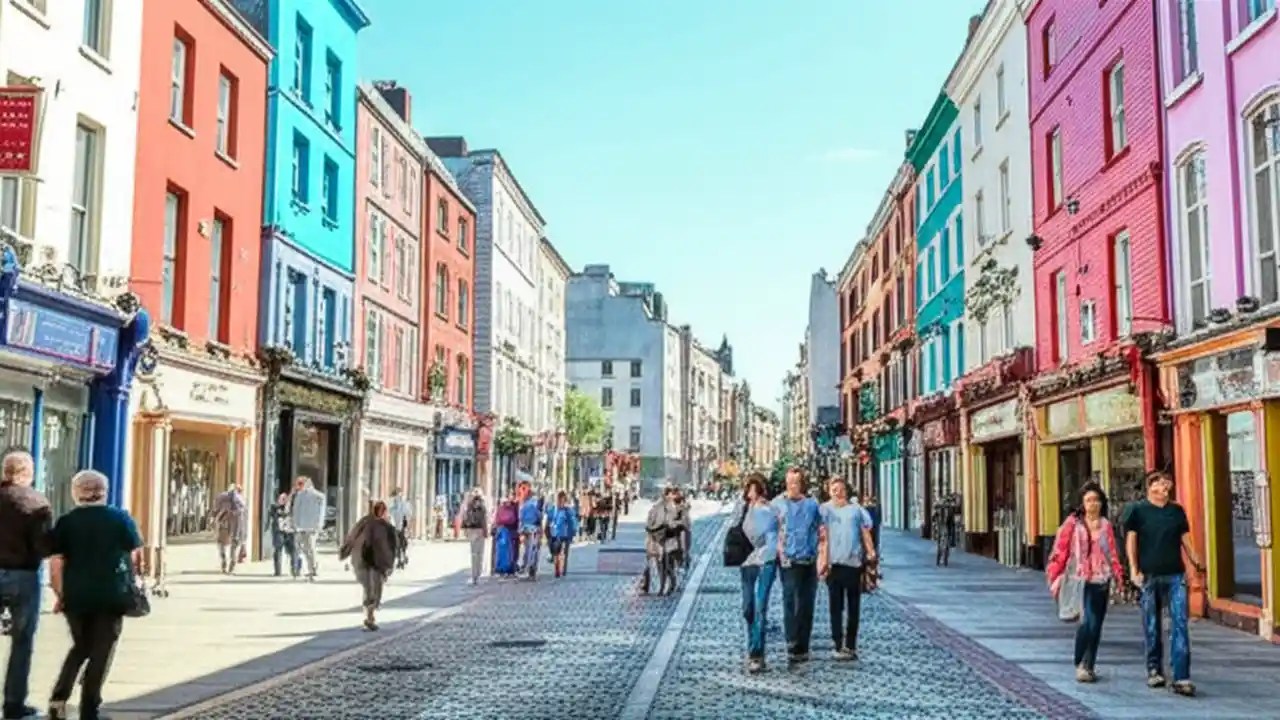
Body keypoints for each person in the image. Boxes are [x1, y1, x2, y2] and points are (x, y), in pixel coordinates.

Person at [46, 471, 143, 720]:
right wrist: (136, 580)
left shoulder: (67, 522)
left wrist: (60, 594)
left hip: (77, 596)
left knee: (80, 646)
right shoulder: (120, 518)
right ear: (104, 491)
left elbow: (56, 564)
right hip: (112, 594)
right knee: (102, 651)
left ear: (76, 493)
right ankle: (89, 708)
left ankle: (58, 699)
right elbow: (135, 554)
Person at [1121, 470, 1203, 696]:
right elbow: (1131, 541)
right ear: (1151, 487)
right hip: (1149, 575)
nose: (1166, 486)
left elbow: (1185, 539)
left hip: (1176, 574)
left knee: (1179, 624)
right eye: (1160, 483)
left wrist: (1197, 563)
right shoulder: (1137, 511)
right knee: (1152, 624)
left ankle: (1181, 676)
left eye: (1168, 483)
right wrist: (1134, 569)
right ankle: (1154, 670)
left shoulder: (1176, 511)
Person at [1047, 481, 1125, 683]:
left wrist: (1118, 575)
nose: (1093, 504)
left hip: (1102, 578)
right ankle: (1080, 661)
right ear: (1082, 503)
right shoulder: (1072, 524)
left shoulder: (1106, 525)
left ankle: (1090, 665)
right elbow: (1059, 551)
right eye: (1089, 500)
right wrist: (1054, 577)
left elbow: (1112, 552)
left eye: (1096, 500)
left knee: (1097, 624)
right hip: (1079, 579)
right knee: (1087, 622)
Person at [0, 451, 51, 719]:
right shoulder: (36, 503)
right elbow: (43, 546)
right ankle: (13, 704)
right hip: (23, 576)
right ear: (28, 473)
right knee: (22, 641)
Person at [818, 477, 876, 661]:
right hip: (834, 564)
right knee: (835, 607)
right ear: (829, 491)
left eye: (841, 489)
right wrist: (821, 560)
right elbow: (820, 536)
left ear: (846, 491)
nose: (838, 492)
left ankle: (850, 645)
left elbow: (865, 530)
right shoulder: (824, 510)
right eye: (834, 489)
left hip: (853, 564)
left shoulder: (856, 510)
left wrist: (871, 552)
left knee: (853, 606)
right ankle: (837, 643)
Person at [773, 466, 822, 664]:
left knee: (807, 604)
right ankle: (792, 641)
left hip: (809, 559)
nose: (793, 486)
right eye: (790, 482)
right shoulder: (777, 504)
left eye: (796, 482)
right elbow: (771, 530)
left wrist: (823, 556)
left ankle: (804, 644)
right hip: (788, 560)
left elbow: (820, 529)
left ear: (802, 483)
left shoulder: (812, 505)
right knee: (790, 601)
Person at [737, 473, 778, 673]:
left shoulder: (770, 510)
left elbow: (778, 531)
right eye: (748, 489)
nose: (750, 493)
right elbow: (734, 528)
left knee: (761, 606)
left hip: (767, 561)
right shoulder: (743, 509)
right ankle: (753, 643)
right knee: (748, 608)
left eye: (753, 489)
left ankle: (756, 654)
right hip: (747, 562)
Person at [339, 500, 398, 631]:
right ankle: (370, 615)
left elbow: (394, 546)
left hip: (372, 561)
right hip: (368, 561)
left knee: (372, 589)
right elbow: (352, 537)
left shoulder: (383, 526)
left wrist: (345, 552)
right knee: (372, 588)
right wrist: (345, 551)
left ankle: (370, 614)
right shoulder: (372, 524)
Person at [641, 488, 680, 595]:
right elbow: (650, 522)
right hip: (657, 538)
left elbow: (673, 523)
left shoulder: (670, 507)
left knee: (666, 564)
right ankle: (657, 586)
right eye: (671, 494)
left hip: (666, 538)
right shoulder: (659, 507)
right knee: (659, 564)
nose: (672, 497)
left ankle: (668, 585)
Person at [289, 476, 326, 581]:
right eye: (298, 484)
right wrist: (294, 524)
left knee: (310, 547)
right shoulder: (298, 495)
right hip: (300, 526)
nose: (299, 486)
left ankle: (313, 568)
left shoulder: (317, 495)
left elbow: (321, 511)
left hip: (311, 526)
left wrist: (319, 524)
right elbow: (295, 511)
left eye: (301, 484)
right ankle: (300, 568)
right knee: (301, 548)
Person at [454, 488, 489, 585]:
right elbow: (484, 520)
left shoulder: (469, 505)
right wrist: (486, 531)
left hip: (472, 530)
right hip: (480, 530)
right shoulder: (482, 506)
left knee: (474, 554)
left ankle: (474, 576)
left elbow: (465, 517)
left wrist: (465, 530)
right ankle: (479, 573)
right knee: (480, 553)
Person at [212, 482, 245, 574]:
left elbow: (215, 509)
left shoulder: (222, 497)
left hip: (224, 523)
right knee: (234, 544)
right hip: (235, 525)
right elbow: (242, 513)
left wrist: (215, 518)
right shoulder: (240, 500)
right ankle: (231, 565)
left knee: (222, 544)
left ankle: (224, 562)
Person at [545, 492, 579, 578]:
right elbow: (548, 521)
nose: (560, 502)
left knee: (564, 553)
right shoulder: (553, 510)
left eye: (562, 500)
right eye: (559, 500)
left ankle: (563, 569)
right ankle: (557, 569)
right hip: (555, 535)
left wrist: (573, 532)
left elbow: (573, 522)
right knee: (557, 553)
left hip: (566, 534)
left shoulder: (568, 511)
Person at [517, 482, 543, 580]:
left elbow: (521, 518)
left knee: (528, 549)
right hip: (534, 529)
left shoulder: (524, 505)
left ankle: (528, 568)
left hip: (526, 529)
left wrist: (520, 531)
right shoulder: (535, 504)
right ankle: (532, 569)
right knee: (533, 550)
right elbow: (539, 516)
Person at [268, 493, 296, 578]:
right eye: (281, 498)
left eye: (285, 499)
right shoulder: (275, 507)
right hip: (279, 531)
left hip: (289, 532)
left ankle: (294, 569)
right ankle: (278, 571)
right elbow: (272, 514)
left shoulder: (291, 507)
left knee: (293, 551)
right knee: (278, 550)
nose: (283, 500)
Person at [492, 493, 520, 577]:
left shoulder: (503, 508)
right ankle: (508, 568)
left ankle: (503, 567)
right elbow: (514, 519)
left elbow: (497, 519)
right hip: (510, 532)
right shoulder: (513, 507)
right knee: (510, 551)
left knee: (504, 551)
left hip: (505, 531)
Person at [388, 488, 413, 570]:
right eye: (397, 495)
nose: (399, 496)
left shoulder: (404, 504)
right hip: (394, 526)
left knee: (402, 543)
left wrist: (407, 526)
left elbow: (408, 514)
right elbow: (389, 514)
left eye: (400, 494)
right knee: (397, 544)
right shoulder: (392, 504)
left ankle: (402, 557)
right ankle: (399, 559)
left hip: (402, 526)